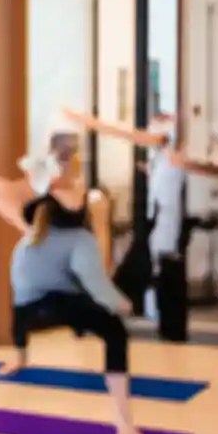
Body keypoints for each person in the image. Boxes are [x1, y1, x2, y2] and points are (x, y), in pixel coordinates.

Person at [0, 141, 140, 434]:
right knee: (114, 331)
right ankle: (123, 423)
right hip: (54, 289)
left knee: (40, 299)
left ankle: (21, 355)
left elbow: (97, 251)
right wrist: (117, 302)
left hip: (40, 290)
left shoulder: (72, 199)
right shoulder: (45, 195)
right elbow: (95, 260)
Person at [62, 108, 190, 341]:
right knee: (141, 273)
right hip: (156, 223)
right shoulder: (163, 156)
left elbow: (132, 135)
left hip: (165, 224)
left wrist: (91, 122)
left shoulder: (173, 145)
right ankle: (101, 314)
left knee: (152, 272)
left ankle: (168, 328)